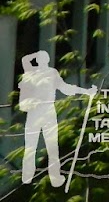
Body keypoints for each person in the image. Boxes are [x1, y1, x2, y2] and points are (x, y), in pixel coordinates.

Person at [19, 49, 93, 187]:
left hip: (39, 113)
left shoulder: (33, 73)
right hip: (44, 112)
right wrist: (86, 91)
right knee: (49, 147)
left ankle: (30, 177)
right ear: (46, 61)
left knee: (34, 146)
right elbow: (66, 88)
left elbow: (25, 60)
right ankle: (49, 178)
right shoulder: (47, 73)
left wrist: (85, 91)